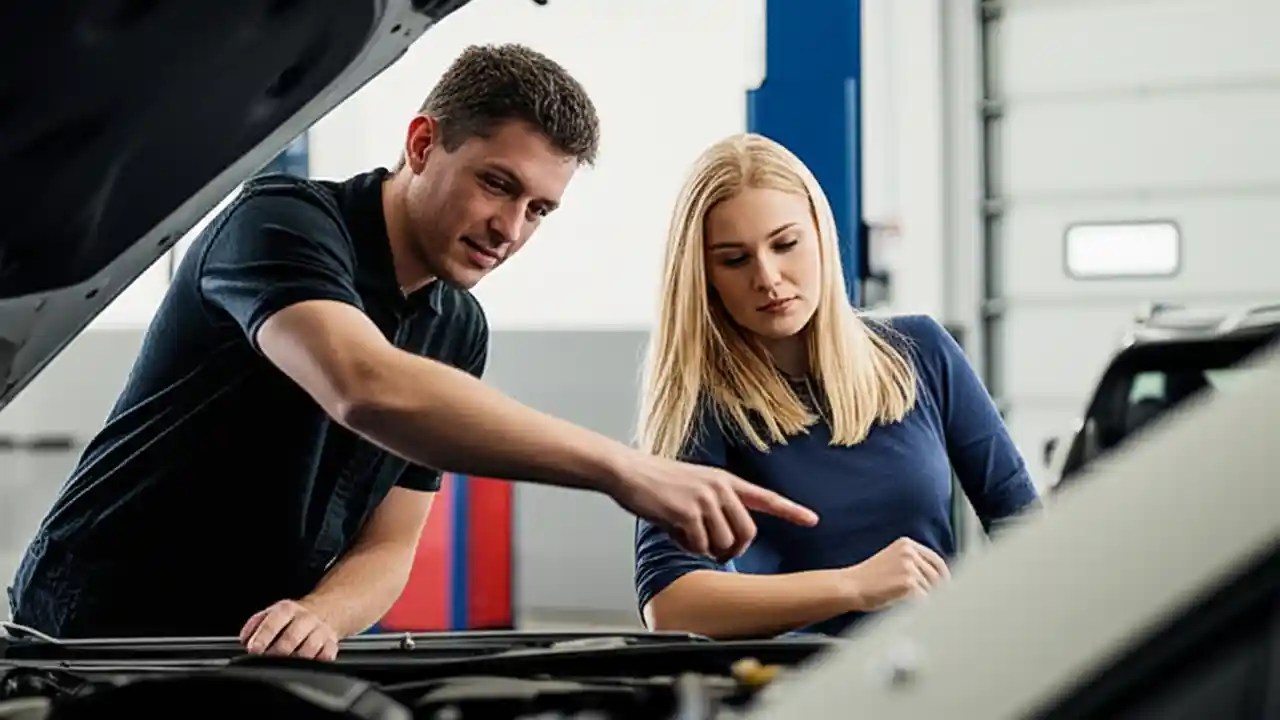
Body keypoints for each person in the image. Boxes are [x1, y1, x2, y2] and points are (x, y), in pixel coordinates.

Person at [6, 45, 817, 658]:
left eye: (539, 209)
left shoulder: (457, 327)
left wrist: (325, 613)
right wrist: (623, 467)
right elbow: (362, 384)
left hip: (246, 645)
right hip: (98, 639)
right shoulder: (281, 222)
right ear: (424, 143)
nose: (510, 230)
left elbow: (391, 544)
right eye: (497, 184)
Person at [632, 132, 1042, 640]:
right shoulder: (702, 401)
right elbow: (672, 605)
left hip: (937, 672)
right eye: (735, 259)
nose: (768, 277)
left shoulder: (921, 351)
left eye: (785, 244)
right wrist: (854, 586)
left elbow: (1022, 525)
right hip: (798, 691)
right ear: (704, 275)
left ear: (821, 236)